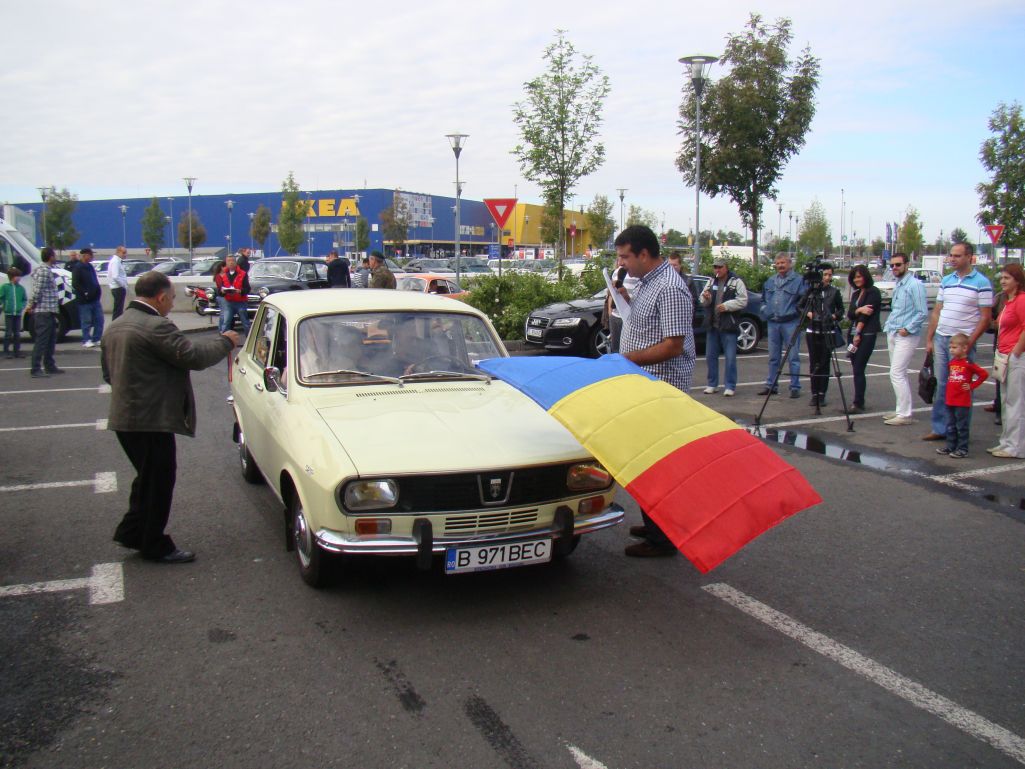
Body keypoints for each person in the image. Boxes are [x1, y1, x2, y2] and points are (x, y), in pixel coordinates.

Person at [101, 271, 240, 563]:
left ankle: (132, 531)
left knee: (147, 478)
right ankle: (154, 544)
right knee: (159, 481)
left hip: (126, 417)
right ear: (161, 297)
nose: (171, 304)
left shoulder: (116, 326)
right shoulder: (156, 326)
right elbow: (192, 357)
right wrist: (226, 341)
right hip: (150, 419)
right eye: (172, 299)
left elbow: (108, 373)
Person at [614, 225, 695, 558]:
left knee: (657, 464)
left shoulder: (670, 288)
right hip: (645, 382)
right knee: (647, 460)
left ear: (644, 254)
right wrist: (623, 297)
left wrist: (627, 358)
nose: (621, 263)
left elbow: (673, 345)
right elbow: (648, 324)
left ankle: (664, 538)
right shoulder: (649, 283)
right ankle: (656, 524)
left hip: (662, 387)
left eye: (624, 257)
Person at [923, 242, 992, 441]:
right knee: (942, 384)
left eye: (957, 256)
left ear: (969, 257)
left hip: (962, 344)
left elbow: (985, 317)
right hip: (942, 338)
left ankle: (959, 432)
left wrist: (969, 342)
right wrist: (929, 338)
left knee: (961, 388)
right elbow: (937, 311)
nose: (952, 259)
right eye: (951, 255)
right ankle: (940, 428)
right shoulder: (947, 280)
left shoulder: (981, 282)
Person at [882, 253, 928, 426]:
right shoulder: (899, 285)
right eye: (892, 265)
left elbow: (922, 312)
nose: (894, 268)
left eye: (898, 265)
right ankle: (901, 408)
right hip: (893, 331)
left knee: (897, 372)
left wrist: (907, 329)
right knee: (898, 373)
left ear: (906, 265)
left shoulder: (915, 285)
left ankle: (905, 414)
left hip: (906, 334)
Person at [989, 263, 1025, 458]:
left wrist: (1016, 352)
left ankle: (1016, 446)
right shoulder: (1008, 301)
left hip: (1015, 357)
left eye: (1007, 278)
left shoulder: (1021, 300)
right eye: (1001, 278)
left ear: (1017, 281)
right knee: (1005, 400)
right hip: (1002, 355)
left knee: (1015, 402)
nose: (1002, 281)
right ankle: (1006, 442)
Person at [759, 253, 805, 398]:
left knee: (793, 357)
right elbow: (763, 299)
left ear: (790, 263)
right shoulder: (771, 281)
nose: (780, 266)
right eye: (777, 263)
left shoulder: (798, 280)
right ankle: (771, 385)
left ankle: (795, 386)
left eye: (783, 263)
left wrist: (796, 312)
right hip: (773, 323)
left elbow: (804, 300)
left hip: (790, 323)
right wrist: (765, 311)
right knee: (773, 357)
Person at [700, 257, 748, 397]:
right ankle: (712, 384)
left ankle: (730, 385)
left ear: (726, 267)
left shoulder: (736, 281)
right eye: (715, 267)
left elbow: (743, 300)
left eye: (720, 267)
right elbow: (703, 301)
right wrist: (706, 297)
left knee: (730, 357)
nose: (717, 270)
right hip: (713, 325)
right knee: (710, 356)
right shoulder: (711, 281)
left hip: (729, 325)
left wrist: (727, 306)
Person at [936, 333, 987, 458]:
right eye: (950, 347)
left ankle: (962, 448)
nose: (951, 350)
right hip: (951, 399)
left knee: (961, 426)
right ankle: (951, 446)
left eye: (954, 347)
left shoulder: (968, 363)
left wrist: (972, 385)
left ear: (964, 348)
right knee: (950, 424)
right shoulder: (952, 362)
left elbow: (983, 374)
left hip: (962, 401)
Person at [804, 264, 844, 407]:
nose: (827, 277)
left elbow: (841, 311)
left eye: (829, 275)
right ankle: (814, 393)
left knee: (825, 362)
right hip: (812, 330)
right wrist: (809, 314)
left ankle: (822, 394)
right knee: (814, 362)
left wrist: (833, 316)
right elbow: (800, 306)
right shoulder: (811, 291)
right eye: (825, 274)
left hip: (828, 330)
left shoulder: (834, 292)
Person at [845, 264, 882, 413]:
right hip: (853, 333)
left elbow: (866, 315)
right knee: (855, 367)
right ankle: (858, 400)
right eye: (854, 277)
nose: (857, 279)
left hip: (866, 333)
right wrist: (859, 309)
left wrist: (858, 333)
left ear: (865, 276)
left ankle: (858, 402)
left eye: (859, 276)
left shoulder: (873, 292)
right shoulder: (856, 294)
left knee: (859, 367)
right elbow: (850, 314)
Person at [25, 247, 64, 378]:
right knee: (42, 340)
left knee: (50, 340)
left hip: (49, 310)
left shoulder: (46, 270)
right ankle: (35, 368)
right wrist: (31, 305)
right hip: (43, 311)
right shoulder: (43, 271)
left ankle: (49, 365)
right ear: (50, 257)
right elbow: (38, 290)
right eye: (53, 255)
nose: (55, 257)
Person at [605, 253, 640, 353]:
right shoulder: (617, 272)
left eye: (623, 257)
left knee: (629, 350)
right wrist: (610, 313)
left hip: (629, 318)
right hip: (615, 316)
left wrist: (625, 295)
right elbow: (611, 295)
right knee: (615, 349)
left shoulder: (637, 274)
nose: (620, 261)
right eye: (619, 257)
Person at [72, 247, 104, 348]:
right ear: (85, 255)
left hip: (95, 299)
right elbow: (75, 283)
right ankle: (86, 339)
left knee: (99, 319)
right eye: (90, 255)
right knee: (86, 321)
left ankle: (97, 338)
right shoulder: (78, 267)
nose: (92, 257)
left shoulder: (90, 266)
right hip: (84, 301)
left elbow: (94, 280)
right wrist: (84, 293)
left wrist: (97, 291)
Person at [215, 254, 251, 334]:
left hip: (240, 302)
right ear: (226, 263)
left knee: (245, 322)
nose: (231, 263)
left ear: (236, 262)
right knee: (226, 321)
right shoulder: (223, 275)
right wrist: (222, 291)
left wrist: (240, 291)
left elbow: (247, 288)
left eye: (232, 261)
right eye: (228, 261)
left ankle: (249, 339)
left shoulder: (243, 274)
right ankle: (223, 340)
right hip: (229, 302)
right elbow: (219, 290)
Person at [1, 267, 27, 358]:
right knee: (8, 333)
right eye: (18, 276)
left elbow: (24, 299)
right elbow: (1, 298)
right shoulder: (5, 287)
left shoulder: (21, 288)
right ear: (12, 277)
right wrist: (4, 306)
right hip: (9, 313)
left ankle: (17, 351)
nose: (19, 278)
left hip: (18, 313)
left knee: (17, 333)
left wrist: (22, 306)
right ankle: (6, 351)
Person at [108, 245, 129, 320]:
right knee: (118, 310)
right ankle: (115, 326)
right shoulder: (115, 262)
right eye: (124, 252)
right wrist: (123, 285)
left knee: (118, 309)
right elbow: (115, 276)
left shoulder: (117, 261)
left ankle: (116, 324)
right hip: (118, 288)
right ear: (118, 252)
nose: (125, 254)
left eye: (126, 252)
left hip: (118, 288)